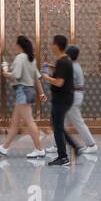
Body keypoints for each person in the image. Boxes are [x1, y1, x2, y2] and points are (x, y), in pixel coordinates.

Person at [0, 36, 46, 158]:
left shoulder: (20, 58)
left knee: (29, 121)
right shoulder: (31, 59)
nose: (14, 46)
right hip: (29, 91)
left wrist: (6, 73)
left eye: (15, 44)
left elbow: (16, 75)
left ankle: (39, 149)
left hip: (23, 92)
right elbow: (37, 78)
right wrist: (41, 94)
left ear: (19, 45)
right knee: (15, 123)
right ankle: (5, 147)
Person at [47, 44, 97, 156]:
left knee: (76, 121)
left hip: (73, 96)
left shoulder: (71, 66)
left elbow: (62, 80)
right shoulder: (75, 65)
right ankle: (57, 145)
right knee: (61, 122)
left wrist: (50, 74)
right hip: (75, 95)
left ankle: (92, 144)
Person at [37, 34, 76, 166]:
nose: (51, 46)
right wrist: (52, 67)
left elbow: (59, 82)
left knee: (57, 127)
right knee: (57, 126)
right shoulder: (65, 61)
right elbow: (61, 72)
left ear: (57, 45)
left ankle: (63, 157)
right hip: (64, 98)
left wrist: (46, 77)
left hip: (61, 99)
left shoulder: (62, 62)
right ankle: (73, 149)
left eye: (52, 43)